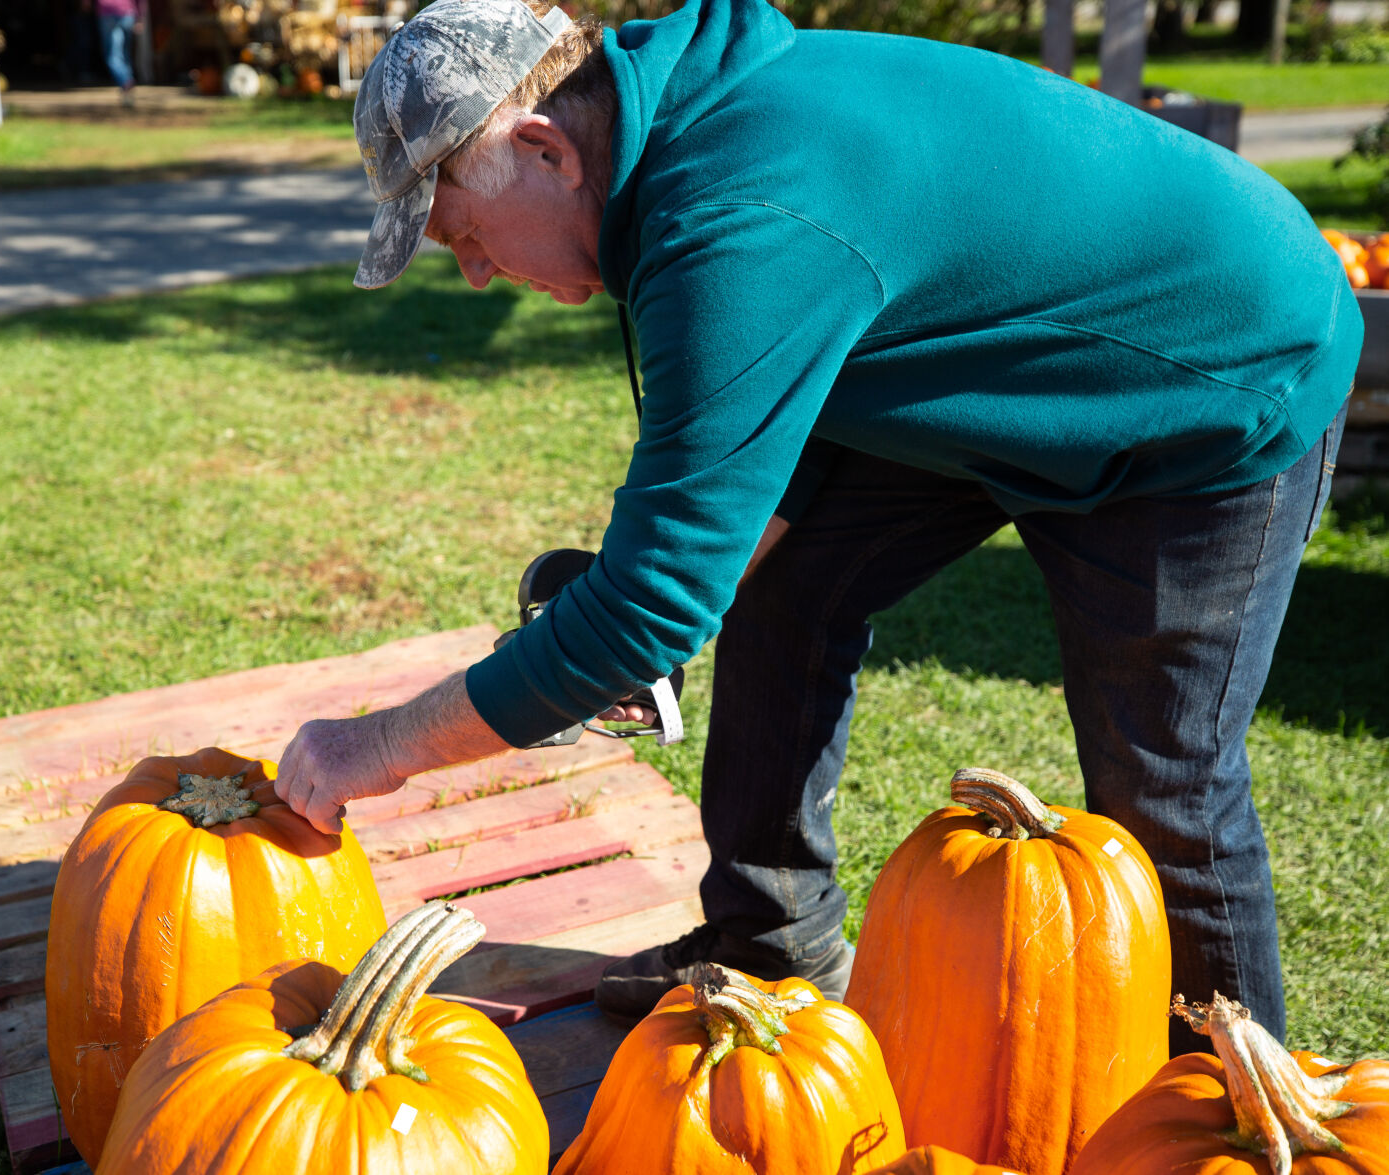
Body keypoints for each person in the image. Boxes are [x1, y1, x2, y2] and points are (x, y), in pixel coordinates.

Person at [273, 0, 1357, 1054]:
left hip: (1211, 371)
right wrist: (689, 573)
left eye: (462, 231)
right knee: (781, 586)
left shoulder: (735, 218)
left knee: (1161, 777)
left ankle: (1239, 1107)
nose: (471, 270)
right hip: (995, 355)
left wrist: (373, 746)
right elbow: (716, 519)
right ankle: (767, 949)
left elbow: (644, 611)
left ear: (548, 149)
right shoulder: (677, 126)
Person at [88, 0, 139, 105]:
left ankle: (125, 81)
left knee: (113, 55)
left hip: (108, 12)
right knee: (124, 53)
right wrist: (140, 16)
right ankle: (127, 90)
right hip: (127, 12)